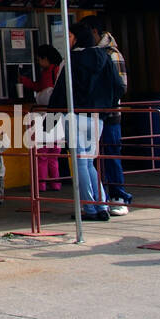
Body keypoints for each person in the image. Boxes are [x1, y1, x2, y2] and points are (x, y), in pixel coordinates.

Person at [49, 21, 124, 223]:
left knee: (81, 163)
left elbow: (60, 91)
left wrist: (49, 119)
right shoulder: (104, 56)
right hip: (97, 117)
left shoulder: (71, 60)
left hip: (74, 116)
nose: (68, 40)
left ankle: (90, 208)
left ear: (78, 38)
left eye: (71, 36)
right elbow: (119, 86)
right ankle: (101, 205)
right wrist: (106, 107)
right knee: (89, 162)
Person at [85, 15, 131, 215]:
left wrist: (105, 102)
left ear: (95, 31)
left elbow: (122, 86)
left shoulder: (112, 54)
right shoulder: (89, 53)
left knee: (111, 154)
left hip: (109, 114)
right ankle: (100, 196)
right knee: (92, 157)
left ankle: (118, 195)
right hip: (93, 114)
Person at [22, 45, 63, 192]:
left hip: (43, 116)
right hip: (56, 117)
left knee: (42, 155)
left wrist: (23, 81)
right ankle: (56, 183)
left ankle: (41, 185)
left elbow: (39, 88)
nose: (38, 63)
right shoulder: (58, 70)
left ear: (45, 58)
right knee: (53, 156)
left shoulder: (49, 72)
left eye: (39, 59)